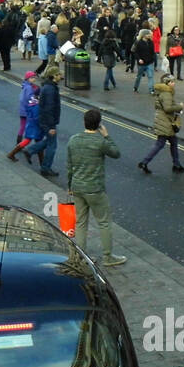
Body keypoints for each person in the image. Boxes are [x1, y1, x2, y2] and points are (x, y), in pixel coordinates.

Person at [66, 108, 125, 268]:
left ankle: (80, 255)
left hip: (77, 187)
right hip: (95, 189)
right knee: (104, 222)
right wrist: (106, 135)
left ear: (84, 122)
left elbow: (69, 166)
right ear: (98, 124)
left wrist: (69, 186)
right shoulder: (100, 142)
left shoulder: (73, 140)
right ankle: (108, 257)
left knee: (81, 222)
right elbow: (116, 153)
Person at [137, 72, 184, 174]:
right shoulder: (166, 93)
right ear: (167, 83)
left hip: (163, 120)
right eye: (172, 82)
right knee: (160, 144)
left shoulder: (163, 92)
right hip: (166, 122)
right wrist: (180, 106)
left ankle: (176, 164)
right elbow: (168, 108)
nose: (174, 83)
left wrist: (176, 106)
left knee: (173, 142)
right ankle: (144, 162)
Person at [23, 67, 62, 178]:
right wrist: (51, 126)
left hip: (46, 120)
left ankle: (30, 150)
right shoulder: (50, 89)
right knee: (52, 146)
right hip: (48, 122)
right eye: (59, 74)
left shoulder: (48, 87)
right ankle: (45, 168)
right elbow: (48, 108)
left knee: (49, 141)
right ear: (54, 76)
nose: (61, 76)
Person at [132, 28, 157, 94]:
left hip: (149, 62)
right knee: (139, 76)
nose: (149, 35)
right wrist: (139, 59)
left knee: (150, 76)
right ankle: (135, 87)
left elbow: (153, 52)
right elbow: (135, 52)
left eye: (149, 34)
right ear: (143, 35)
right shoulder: (138, 42)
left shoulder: (151, 42)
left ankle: (151, 89)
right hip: (141, 62)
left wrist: (153, 59)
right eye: (147, 34)